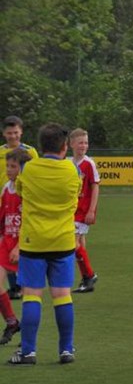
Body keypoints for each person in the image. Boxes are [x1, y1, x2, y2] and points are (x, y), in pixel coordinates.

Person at [7, 124, 81, 365]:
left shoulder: (28, 169)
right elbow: (77, 193)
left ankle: (28, 351)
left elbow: (18, 191)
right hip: (62, 240)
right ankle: (66, 349)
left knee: (32, 295)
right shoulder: (71, 171)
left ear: (41, 145)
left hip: (33, 242)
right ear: (65, 146)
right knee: (62, 295)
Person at [1, 115, 39, 299]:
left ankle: (23, 285)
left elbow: (37, 174)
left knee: (20, 241)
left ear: (21, 131)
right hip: (4, 199)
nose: (13, 136)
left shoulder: (30, 152)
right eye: (9, 133)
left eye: (15, 132)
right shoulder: (0, 152)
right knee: (6, 242)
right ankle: (14, 287)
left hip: (24, 200)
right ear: (4, 133)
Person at [0, 150, 30, 346]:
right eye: (8, 165)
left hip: (25, 245)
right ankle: (12, 321)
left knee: (30, 292)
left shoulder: (27, 190)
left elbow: (29, 221)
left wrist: (19, 246)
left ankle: (28, 331)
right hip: (6, 242)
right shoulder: (6, 188)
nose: (9, 169)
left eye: (13, 166)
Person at [69, 129, 100, 292]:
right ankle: (86, 277)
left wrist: (91, 210)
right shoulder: (68, 162)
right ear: (71, 144)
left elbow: (95, 187)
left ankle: (89, 274)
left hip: (82, 211)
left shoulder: (89, 164)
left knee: (73, 243)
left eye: (86, 142)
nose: (84, 146)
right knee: (79, 244)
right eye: (80, 142)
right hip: (70, 210)